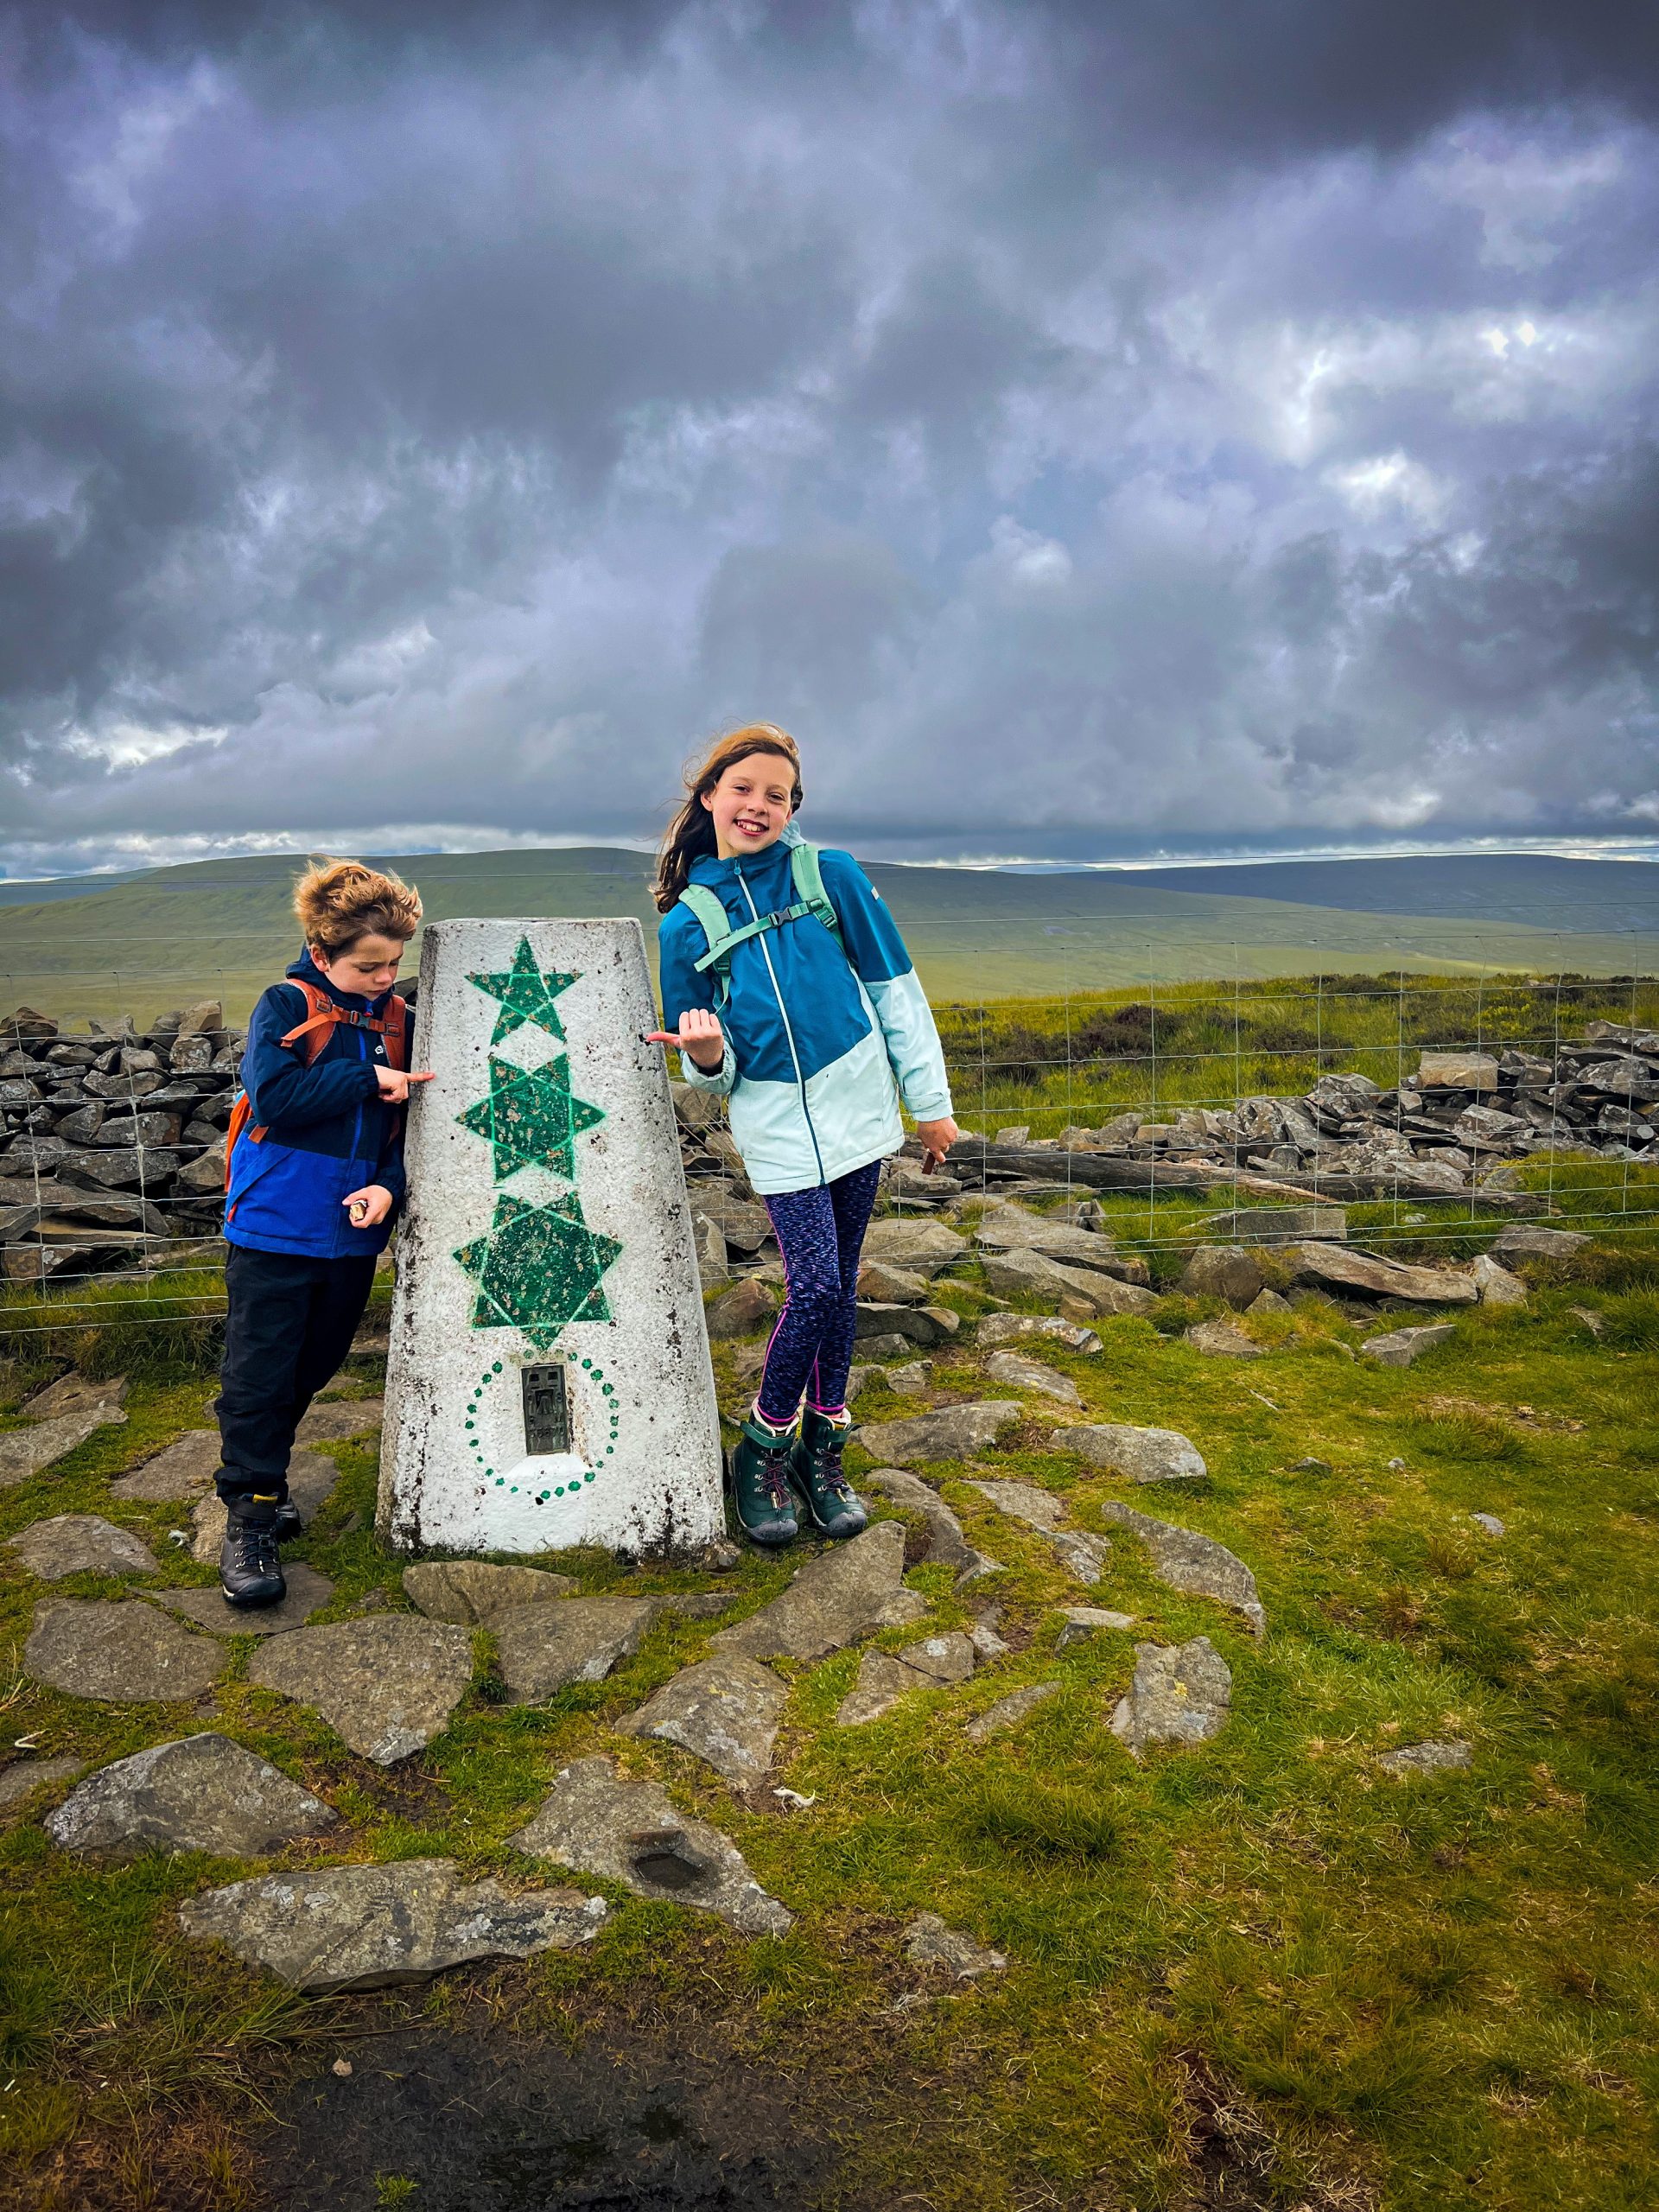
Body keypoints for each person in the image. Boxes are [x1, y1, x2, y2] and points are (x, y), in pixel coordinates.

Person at [651, 725, 959, 1548]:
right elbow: (702, 1070)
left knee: (841, 1286)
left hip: (860, 1109)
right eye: (743, 788)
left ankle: (826, 1449)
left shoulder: (831, 875)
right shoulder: (685, 924)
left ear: (793, 808)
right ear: (710, 794)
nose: (758, 806)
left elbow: (896, 990)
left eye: (777, 795)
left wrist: (929, 1105)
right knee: (817, 1288)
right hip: (778, 1123)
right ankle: (763, 1447)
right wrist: (709, 1058)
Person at [215, 860, 431, 1605]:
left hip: (351, 1234)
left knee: (312, 1367)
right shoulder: (284, 1004)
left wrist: (389, 1186)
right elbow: (275, 1096)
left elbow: (409, 1129)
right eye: (369, 965)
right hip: (275, 1224)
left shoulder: (399, 1021)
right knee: (259, 1374)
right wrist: (366, 1079)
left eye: (395, 964)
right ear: (322, 954)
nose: (384, 977)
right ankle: (250, 1517)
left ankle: (265, 1480)